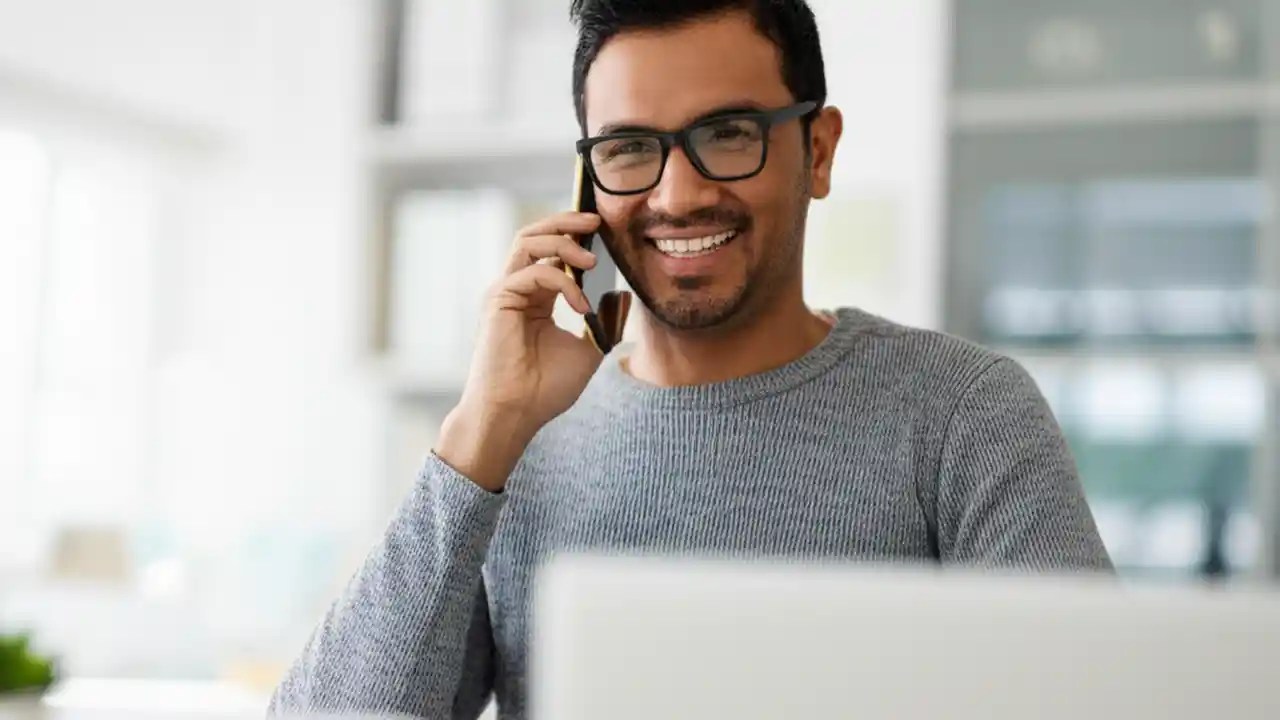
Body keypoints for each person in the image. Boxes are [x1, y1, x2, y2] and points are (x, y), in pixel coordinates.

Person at [269, 1, 1112, 717]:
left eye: (729, 133)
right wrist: (480, 434)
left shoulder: (963, 412)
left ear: (818, 151)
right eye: (630, 148)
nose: (677, 196)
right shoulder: (515, 446)